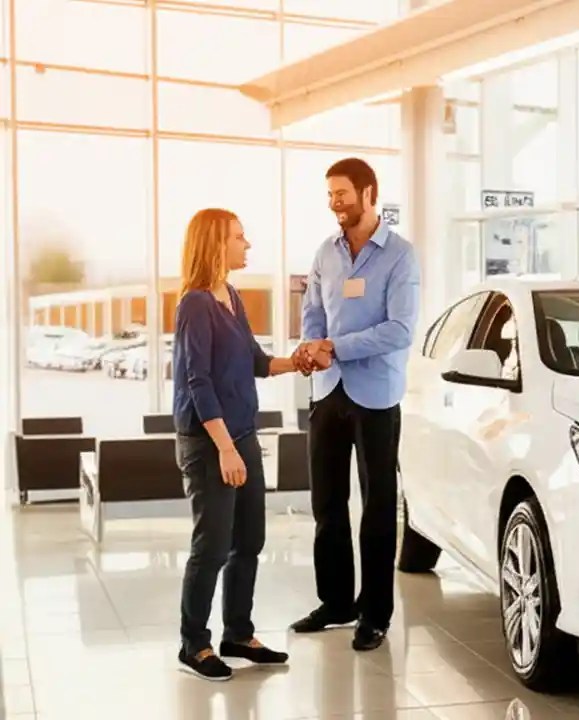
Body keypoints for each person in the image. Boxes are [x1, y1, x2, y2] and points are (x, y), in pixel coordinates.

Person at [172, 208, 320, 680]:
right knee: (212, 546)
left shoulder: (232, 296)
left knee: (249, 541)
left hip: (241, 435)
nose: (247, 244)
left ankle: (238, 633)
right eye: (239, 237)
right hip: (209, 442)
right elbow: (197, 381)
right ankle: (194, 644)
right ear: (215, 244)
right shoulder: (195, 304)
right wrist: (225, 448)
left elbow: (255, 361)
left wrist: (298, 361)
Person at [289, 158, 420, 652]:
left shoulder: (401, 256)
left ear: (368, 194)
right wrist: (313, 346)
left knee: (378, 508)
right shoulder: (326, 252)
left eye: (342, 194)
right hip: (327, 391)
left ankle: (375, 614)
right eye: (329, 195)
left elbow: (400, 329)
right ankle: (336, 603)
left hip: (376, 396)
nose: (334, 203)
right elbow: (312, 310)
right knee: (327, 503)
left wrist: (336, 347)